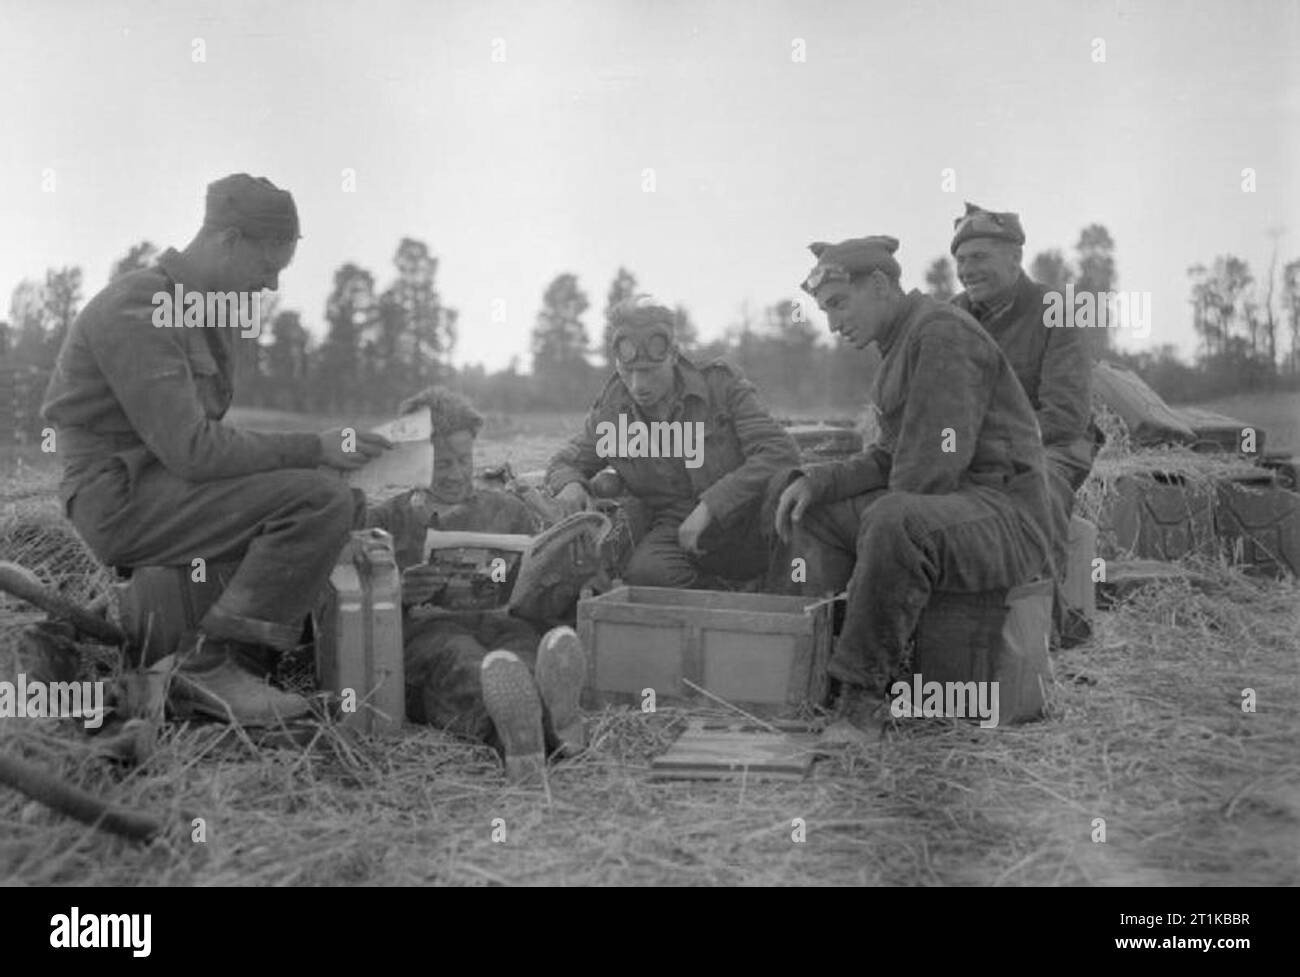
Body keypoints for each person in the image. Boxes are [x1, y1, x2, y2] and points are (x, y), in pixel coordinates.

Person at [41, 174, 389, 726]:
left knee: (334, 496)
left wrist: (317, 454)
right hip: (116, 497)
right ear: (228, 241)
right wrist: (310, 448)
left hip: (162, 487)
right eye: (266, 267)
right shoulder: (139, 306)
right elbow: (195, 451)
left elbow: (205, 447)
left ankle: (260, 657)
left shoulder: (207, 315)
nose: (270, 285)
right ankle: (210, 666)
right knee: (317, 501)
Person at [773, 236, 1052, 742]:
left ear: (879, 286)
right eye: (824, 311)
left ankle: (860, 701)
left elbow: (928, 471)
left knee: (894, 520)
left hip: (1004, 516)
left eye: (839, 305)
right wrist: (817, 481)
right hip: (955, 507)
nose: (833, 325)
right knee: (813, 513)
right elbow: (891, 455)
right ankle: (817, 677)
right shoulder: (903, 341)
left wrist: (870, 566)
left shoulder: (940, 333)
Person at [366, 387, 587, 783]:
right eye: (440, 464)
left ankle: (554, 721)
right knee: (462, 659)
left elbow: (532, 606)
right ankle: (516, 738)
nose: (454, 474)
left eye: (463, 460)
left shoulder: (507, 509)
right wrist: (399, 591)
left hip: (500, 625)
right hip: (426, 639)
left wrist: (567, 576)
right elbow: (356, 609)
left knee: (523, 652)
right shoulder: (385, 522)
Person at [546, 296, 799, 590]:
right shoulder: (612, 413)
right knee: (648, 574)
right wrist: (570, 484)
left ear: (674, 355)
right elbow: (566, 461)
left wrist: (711, 506)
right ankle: (730, 605)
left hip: (749, 515)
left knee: (796, 505)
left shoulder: (720, 386)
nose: (639, 385)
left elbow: (780, 452)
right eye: (628, 371)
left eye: (650, 371)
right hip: (677, 527)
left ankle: (783, 595)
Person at [949, 203, 1096, 637]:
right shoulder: (951, 315)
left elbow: (1066, 415)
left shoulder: (1062, 309)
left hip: (1052, 444)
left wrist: (988, 448)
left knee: (1037, 489)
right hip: (974, 444)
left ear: (1015, 259)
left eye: (979, 258)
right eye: (960, 261)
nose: (966, 270)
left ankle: (1043, 633)